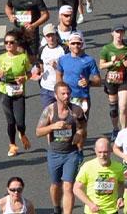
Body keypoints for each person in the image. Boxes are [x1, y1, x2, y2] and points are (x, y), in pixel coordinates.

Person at [38, 80, 88, 213]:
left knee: (68, 186)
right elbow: (38, 132)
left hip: (71, 153)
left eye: (68, 93)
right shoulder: (49, 111)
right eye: (63, 94)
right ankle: (56, 207)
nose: (66, 96)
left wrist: (79, 133)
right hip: (54, 153)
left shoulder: (76, 110)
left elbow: (83, 126)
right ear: (56, 95)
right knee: (56, 184)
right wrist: (53, 126)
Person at [0, 31, 37, 156]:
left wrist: (25, 78)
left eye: (11, 42)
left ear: (16, 44)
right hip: (5, 91)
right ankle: (12, 145)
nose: (8, 44)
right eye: (6, 42)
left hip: (18, 92)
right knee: (10, 121)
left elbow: (30, 73)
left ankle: (22, 133)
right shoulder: (1, 58)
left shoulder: (23, 57)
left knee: (20, 122)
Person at [74, 137, 126, 214]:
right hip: (93, 212)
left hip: (112, 211)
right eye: (99, 152)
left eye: (105, 152)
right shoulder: (87, 166)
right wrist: (90, 204)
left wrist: (120, 197)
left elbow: (121, 183)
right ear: (95, 151)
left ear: (110, 150)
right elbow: (76, 189)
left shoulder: (118, 167)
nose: (102, 155)